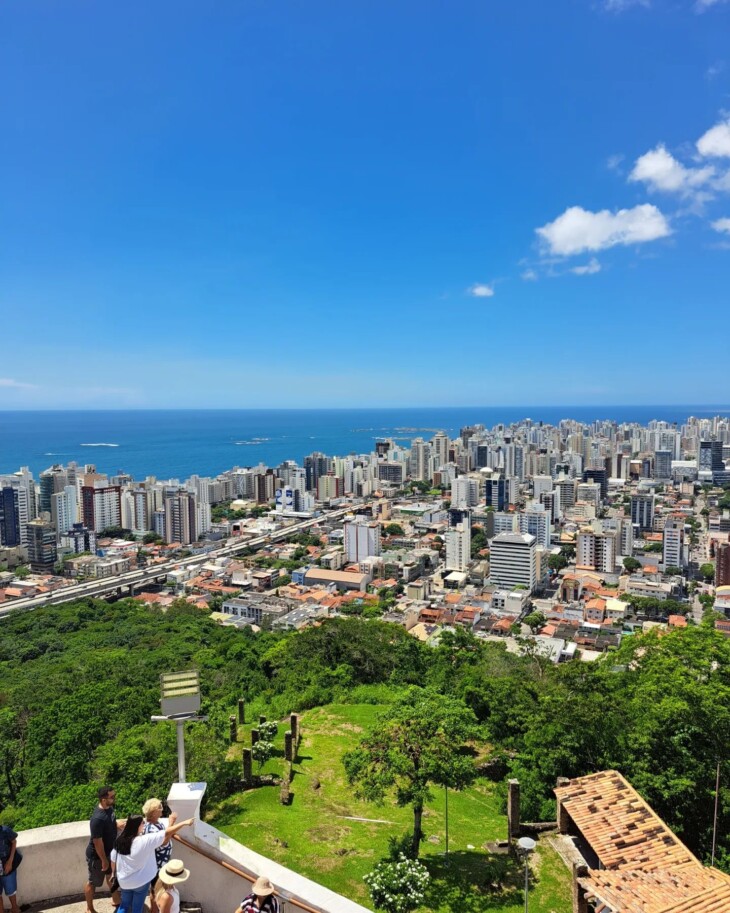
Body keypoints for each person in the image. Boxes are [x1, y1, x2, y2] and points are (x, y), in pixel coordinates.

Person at [111, 814, 194, 913]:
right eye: (143, 823)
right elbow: (167, 832)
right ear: (138, 826)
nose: (144, 824)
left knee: (124, 905)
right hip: (140, 882)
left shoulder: (120, 841)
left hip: (124, 881)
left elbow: (113, 859)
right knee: (137, 908)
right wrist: (184, 823)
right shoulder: (145, 840)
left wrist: (113, 873)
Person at [85, 785, 122, 913]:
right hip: (97, 857)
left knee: (111, 877)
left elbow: (111, 825)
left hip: (109, 852)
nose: (114, 798)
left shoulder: (109, 809)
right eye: (112, 797)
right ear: (103, 799)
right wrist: (104, 860)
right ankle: (89, 908)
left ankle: (116, 899)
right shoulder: (97, 819)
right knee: (93, 883)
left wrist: (120, 825)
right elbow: (97, 841)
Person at [142, 798, 177, 913]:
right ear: (153, 812)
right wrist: (171, 823)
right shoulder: (151, 828)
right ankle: (155, 910)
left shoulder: (156, 823)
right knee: (157, 889)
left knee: (156, 889)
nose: (162, 810)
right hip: (157, 864)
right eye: (160, 808)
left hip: (161, 862)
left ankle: (155, 910)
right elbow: (163, 842)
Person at [0, 823, 22, 913]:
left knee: (10, 889)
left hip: (7, 866)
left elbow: (14, 841)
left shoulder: (5, 830)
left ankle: (15, 909)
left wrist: (10, 861)